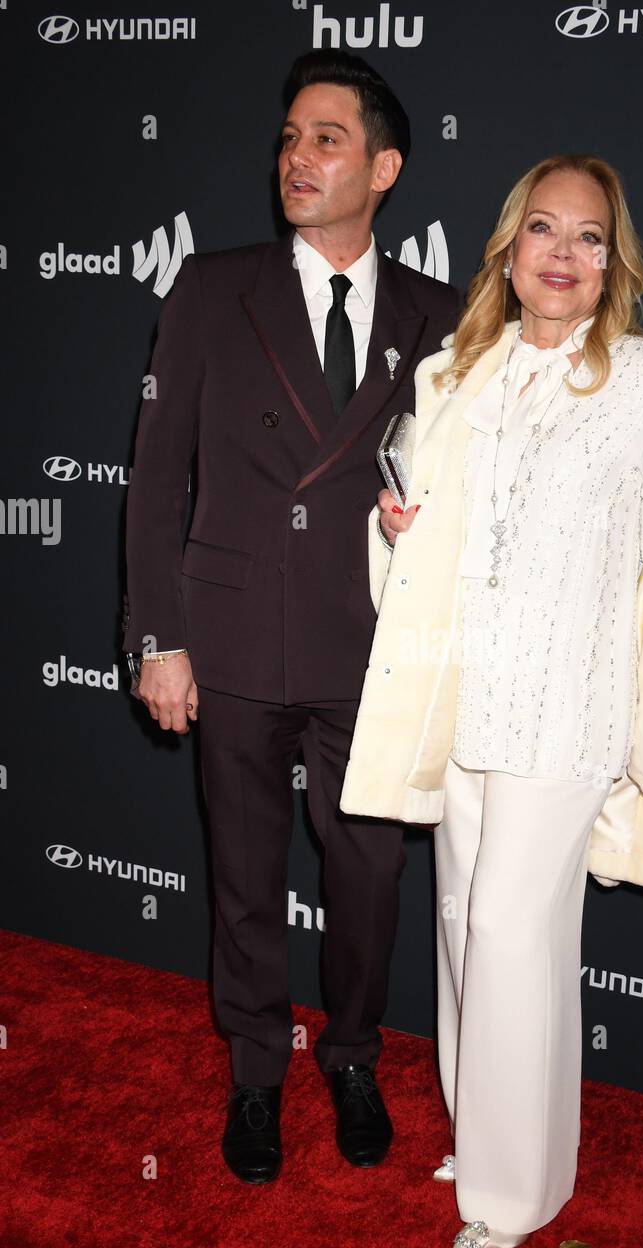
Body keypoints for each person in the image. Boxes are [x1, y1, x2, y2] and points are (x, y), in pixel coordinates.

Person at [340, 154, 643, 1248]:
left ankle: (516, 1194)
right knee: (456, 928)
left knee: (514, 936)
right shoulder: (461, 368)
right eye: (543, 230)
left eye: (588, 236)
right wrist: (398, 535)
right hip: (463, 694)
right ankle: (482, 1137)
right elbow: (428, 528)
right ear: (510, 249)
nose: (563, 255)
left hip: (565, 710)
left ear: (613, 258)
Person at [122, 50, 462, 1184]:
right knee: (244, 871)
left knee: (369, 877)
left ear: (386, 165)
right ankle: (258, 1071)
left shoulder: (439, 315)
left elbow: (466, 483)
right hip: (233, 636)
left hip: (373, 647)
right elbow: (155, 476)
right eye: (288, 139)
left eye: (325, 138)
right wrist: (157, 638)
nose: (297, 158)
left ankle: (354, 1055)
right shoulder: (212, 289)